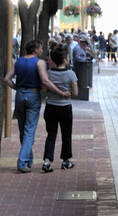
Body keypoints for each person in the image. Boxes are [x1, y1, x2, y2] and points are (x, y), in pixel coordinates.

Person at [4, 39, 69, 172]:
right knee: (29, 129)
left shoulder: (19, 61)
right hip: (33, 95)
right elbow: (45, 81)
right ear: (35, 50)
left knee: (23, 129)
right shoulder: (40, 63)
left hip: (20, 95)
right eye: (41, 48)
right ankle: (22, 162)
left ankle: (28, 159)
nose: (42, 50)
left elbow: (6, 79)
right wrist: (61, 92)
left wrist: (17, 88)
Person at [41, 43, 78, 171]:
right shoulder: (71, 74)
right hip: (65, 108)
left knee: (51, 134)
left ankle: (47, 161)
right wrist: (65, 92)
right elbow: (76, 93)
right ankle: (66, 161)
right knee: (66, 135)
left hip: (50, 107)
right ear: (65, 59)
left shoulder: (48, 73)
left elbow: (44, 90)